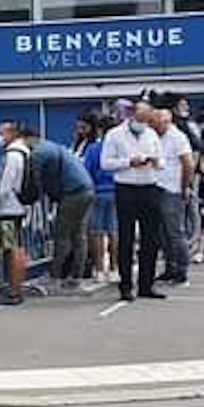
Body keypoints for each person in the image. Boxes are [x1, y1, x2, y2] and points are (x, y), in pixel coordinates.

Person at [102, 101, 167, 301]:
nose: (144, 123)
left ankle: (147, 285)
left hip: (150, 186)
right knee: (126, 238)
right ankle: (126, 286)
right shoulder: (114, 135)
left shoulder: (151, 134)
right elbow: (106, 163)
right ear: (131, 116)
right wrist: (129, 162)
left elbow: (163, 161)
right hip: (126, 188)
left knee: (151, 239)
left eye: (147, 120)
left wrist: (156, 162)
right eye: (141, 119)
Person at [25, 127, 95, 288]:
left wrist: (29, 197)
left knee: (62, 234)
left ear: (28, 139)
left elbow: (34, 180)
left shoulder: (39, 153)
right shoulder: (52, 146)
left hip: (73, 194)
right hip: (86, 189)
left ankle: (55, 275)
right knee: (79, 235)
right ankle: (76, 275)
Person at [0, 121, 32, 306]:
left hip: (7, 209)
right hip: (16, 207)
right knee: (13, 247)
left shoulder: (12, 155)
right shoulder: (23, 152)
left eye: (1, 133)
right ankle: (13, 287)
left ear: (11, 134)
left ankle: (14, 290)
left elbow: (5, 183)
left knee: (11, 249)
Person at [153, 109, 195, 286]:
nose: (153, 126)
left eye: (156, 123)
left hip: (172, 189)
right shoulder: (154, 137)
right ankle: (170, 268)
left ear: (166, 122)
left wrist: (185, 186)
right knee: (162, 233)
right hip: (156, 187)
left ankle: (181, 271)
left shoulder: (178, 137)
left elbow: (188, 164)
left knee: (175, 232)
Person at [80, 114, 119, 282]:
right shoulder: (119, 149)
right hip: (117, 192)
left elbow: (85, 172)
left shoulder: (93, 149)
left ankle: (99, 269)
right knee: (114, 232)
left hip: (97, 193)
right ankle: (115, 268)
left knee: (96, 232)